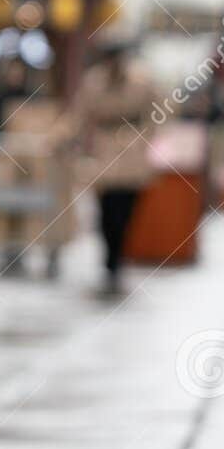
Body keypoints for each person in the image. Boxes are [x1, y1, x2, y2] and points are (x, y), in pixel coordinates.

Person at [69, 37, 157, 296]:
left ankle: (118, 258)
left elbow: (157, 112)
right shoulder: (93, 82)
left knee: (126, 209)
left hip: (132, 152)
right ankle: (110, 260)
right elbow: (80, 115)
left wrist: (146, 138)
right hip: (104, 151)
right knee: (106, 211)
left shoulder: (141, 80)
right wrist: (72, 142)